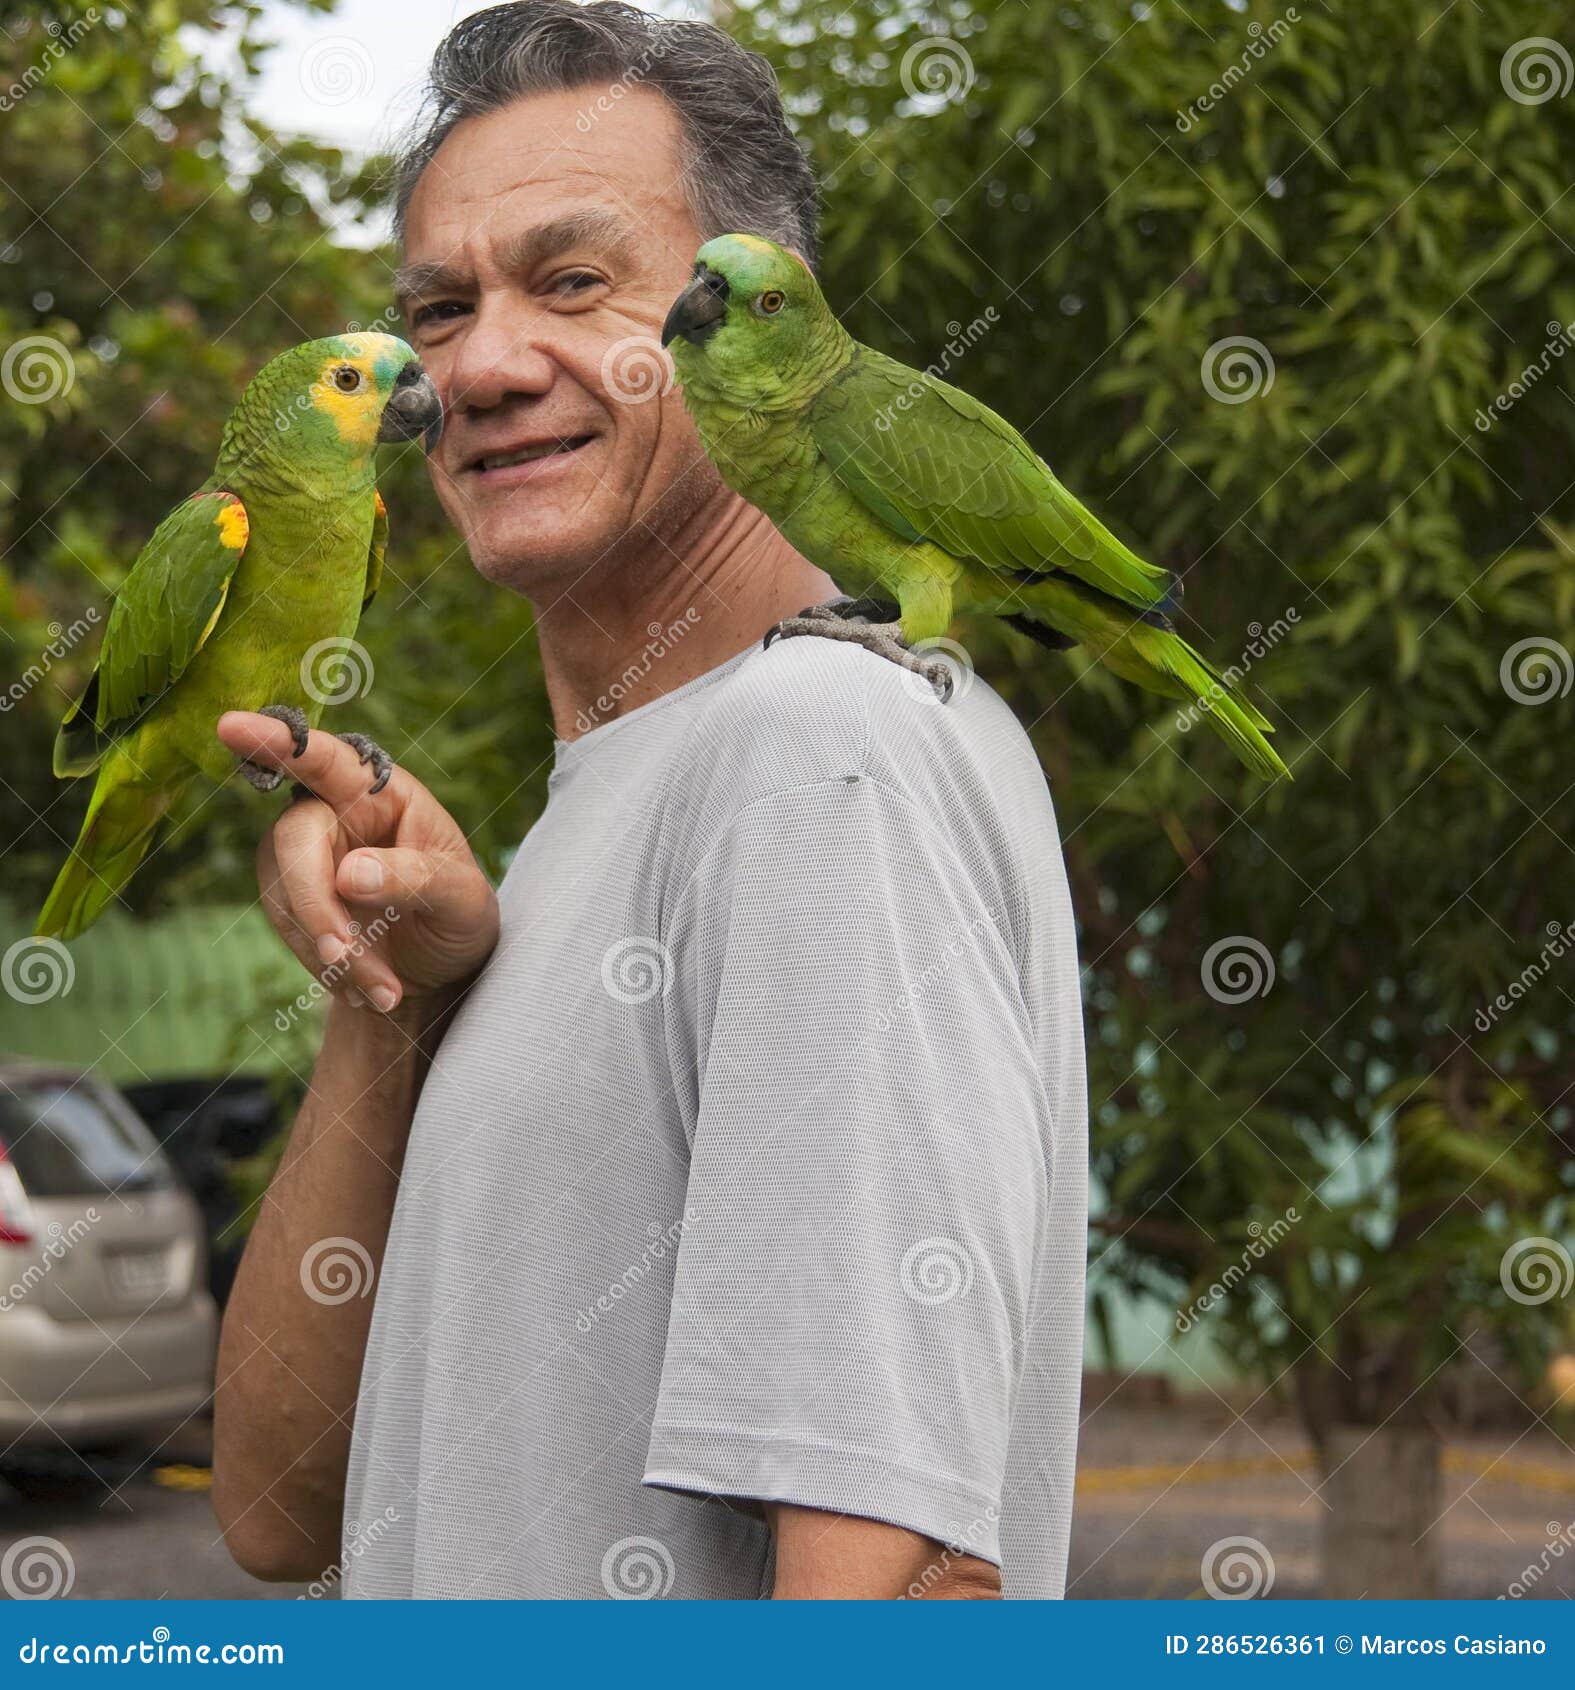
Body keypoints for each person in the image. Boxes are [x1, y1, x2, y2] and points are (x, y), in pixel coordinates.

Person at [212, 0, 1087, 1601]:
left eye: (572, 281)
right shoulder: (599, 821)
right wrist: (395, 1001)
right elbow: (280, 1511)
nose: (476, 364)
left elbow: (898, 1577)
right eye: (436, 307)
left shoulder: (821, 744)